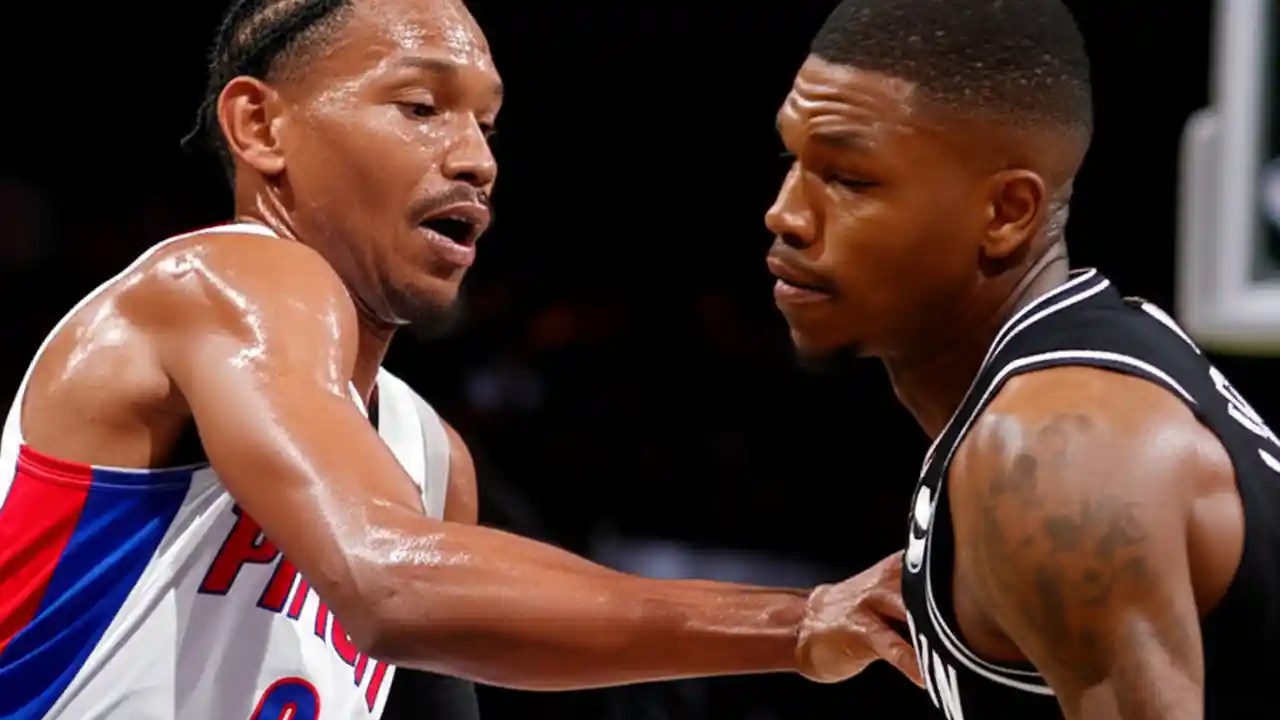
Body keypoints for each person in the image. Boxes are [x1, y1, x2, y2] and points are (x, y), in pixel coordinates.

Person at [0, 0, 925, 718]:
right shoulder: (218, 277)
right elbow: (388, 583)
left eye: (487, 124)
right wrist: (798, 622)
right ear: (261, 127)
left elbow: (423, 602)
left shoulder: (432, 457)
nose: (478, 160)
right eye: (420, 107)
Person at [765, 0, 1280, 717]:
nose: (786, 214)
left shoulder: (1049, 453)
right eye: (793, 160)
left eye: (851, 179)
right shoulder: (1087, 365)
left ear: (1007, 212)